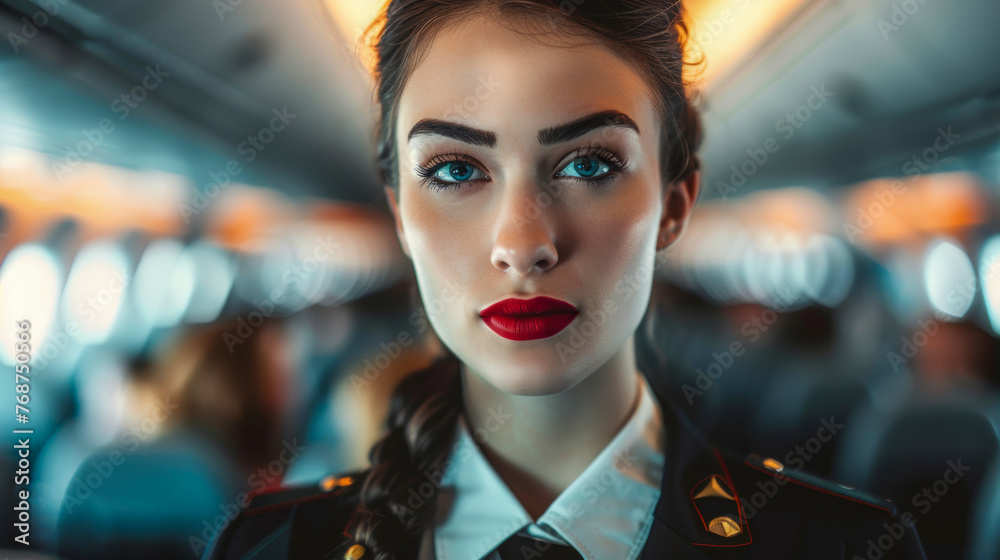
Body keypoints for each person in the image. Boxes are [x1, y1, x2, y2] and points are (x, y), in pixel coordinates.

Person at [203, 1, 928, 558]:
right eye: (456, 171)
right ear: (400, 215)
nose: (524, 245)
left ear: (674, 205)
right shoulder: (271, 547)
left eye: (588, 165)